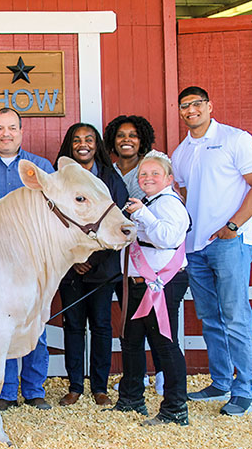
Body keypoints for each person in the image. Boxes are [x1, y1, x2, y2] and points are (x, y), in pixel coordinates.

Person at [172, 86, 252, 416]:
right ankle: (221, 383)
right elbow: (187, 196)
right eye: (185, 106)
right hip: (196, 246)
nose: (190, 110)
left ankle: (244, 392)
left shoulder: (234, 139)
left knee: (236, 317)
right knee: (210, 318)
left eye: (197, 104)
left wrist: (233, 225)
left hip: (229, 243)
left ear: (209, 106)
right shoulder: (181, 152)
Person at [0, 108, 53, 411]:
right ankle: (4, 393)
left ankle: (34, 389)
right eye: (0, 128)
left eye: (12, 128)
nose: (6, 133)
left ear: (21, 131)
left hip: (33, 261)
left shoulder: (41, 168)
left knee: (34, 324)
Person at [111, 151, 190, 426]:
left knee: (165, 344)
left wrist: (143, 214)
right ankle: (131, 398)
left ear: (168, 178)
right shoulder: (148, 202)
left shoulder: (169, 204)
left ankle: (175, 408)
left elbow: (167, 239)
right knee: (131, 340)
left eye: (155, 173)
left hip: (161, 282)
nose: (148, 178)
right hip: (139, 282)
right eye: (143, 174)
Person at [55, 123, 128, 407]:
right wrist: (75, 259)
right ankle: (74, 386)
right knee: (72, 326)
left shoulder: (111, 179)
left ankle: (99, 387)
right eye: (76, 140)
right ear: (69, 145)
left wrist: (90, 257)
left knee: (101, 326)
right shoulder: (60, 179)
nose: (82, 144)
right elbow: (56, 223)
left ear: (97, 144)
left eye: (88, 139)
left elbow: (117, 223)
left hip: (102, 268)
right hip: (71, 269)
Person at [103, 115, 165, 395]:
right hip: (120, 257)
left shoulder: (151, 168)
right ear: (113, 141)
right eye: (121, 135)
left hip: (149, 257)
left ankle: (163, 373)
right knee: (130, 321)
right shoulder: (110, 170)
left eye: (133, 135)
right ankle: (135, 376)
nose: (126, 140)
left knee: (158, 321)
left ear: (142, 139)